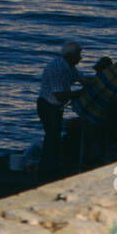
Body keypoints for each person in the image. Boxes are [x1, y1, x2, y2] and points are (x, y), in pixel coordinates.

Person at [37, 40, 84, 178]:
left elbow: (82, 79)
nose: (81, 58)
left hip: (55, 107)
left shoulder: (69, 67)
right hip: (48, 106)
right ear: (71, 55)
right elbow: (60, 95)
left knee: (54, 136)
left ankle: (49, 167)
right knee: (52, 137)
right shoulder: (57, 68)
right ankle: (47, 170)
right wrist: (80, 92)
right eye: (79, 55)